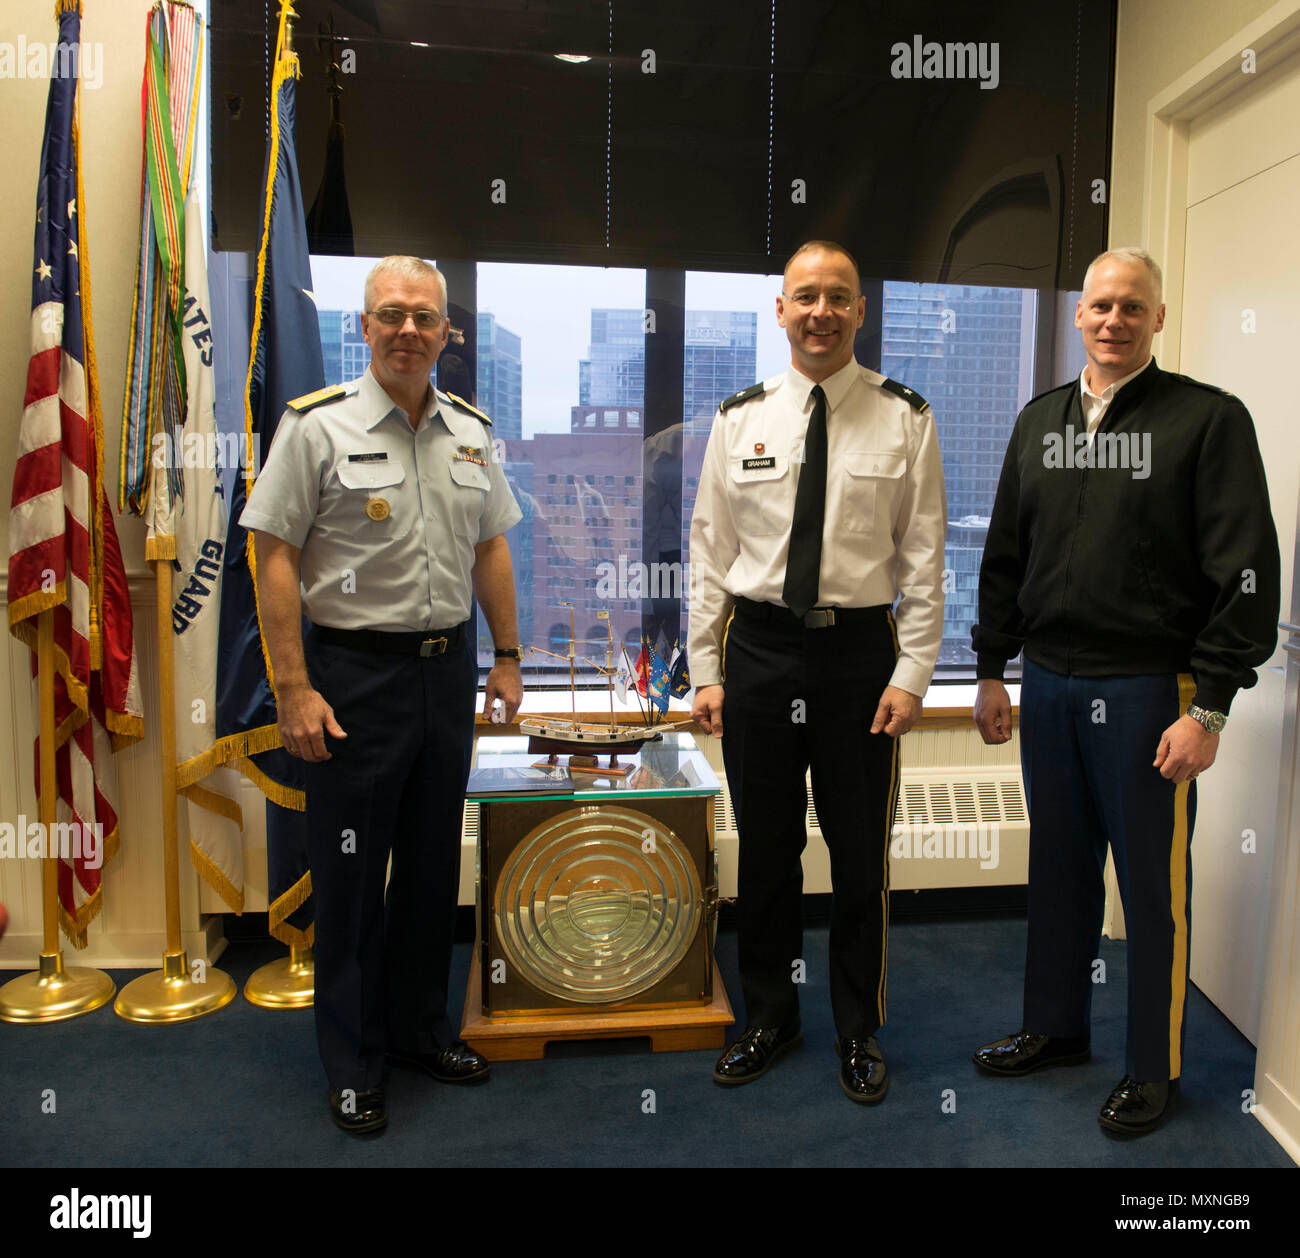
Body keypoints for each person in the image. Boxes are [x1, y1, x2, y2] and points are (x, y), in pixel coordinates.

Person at [970, 247, 1280, 1135]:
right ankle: (1056, 1028)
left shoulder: (1206, 422)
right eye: (1100, 305)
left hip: (1150, 688)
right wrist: (991, 668)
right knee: (1060, 870)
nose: (1113, 320)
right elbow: (1005, 557)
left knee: (1151, 888)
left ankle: (1156, 1067)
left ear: (1158, 318)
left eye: (1132, 308)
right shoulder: (1040, 423)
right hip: (1050, 686)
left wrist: (1209, 706)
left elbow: (1246, 572)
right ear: (1078, 316)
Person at [242, 256, 524, 1135]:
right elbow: (273, 552)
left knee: (433, 869)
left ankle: (417, 1029)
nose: (409, 330)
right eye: (391, 315)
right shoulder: (316, 428)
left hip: (447, 675)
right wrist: (292, 686)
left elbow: (490, 550)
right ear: (363, 327)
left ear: (448, 332)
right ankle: (355, 1062)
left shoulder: (472, 432)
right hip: (352, 678)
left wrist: (508, 657)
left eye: (425, 318)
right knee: (355, 879)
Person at [689, 240, 946, 1103]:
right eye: (806, 297)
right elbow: (708, 555)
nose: (821, 312)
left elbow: (926, 557)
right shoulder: (740, 418)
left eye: (839, 297)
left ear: (861, 312)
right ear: (782, 312)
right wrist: (704, 669)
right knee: (766, 851)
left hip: (859, 659)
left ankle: (857, 1027)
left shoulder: (905, 416)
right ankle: (769, 1015)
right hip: (757, 654)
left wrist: (912, 673)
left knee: (859, 853)